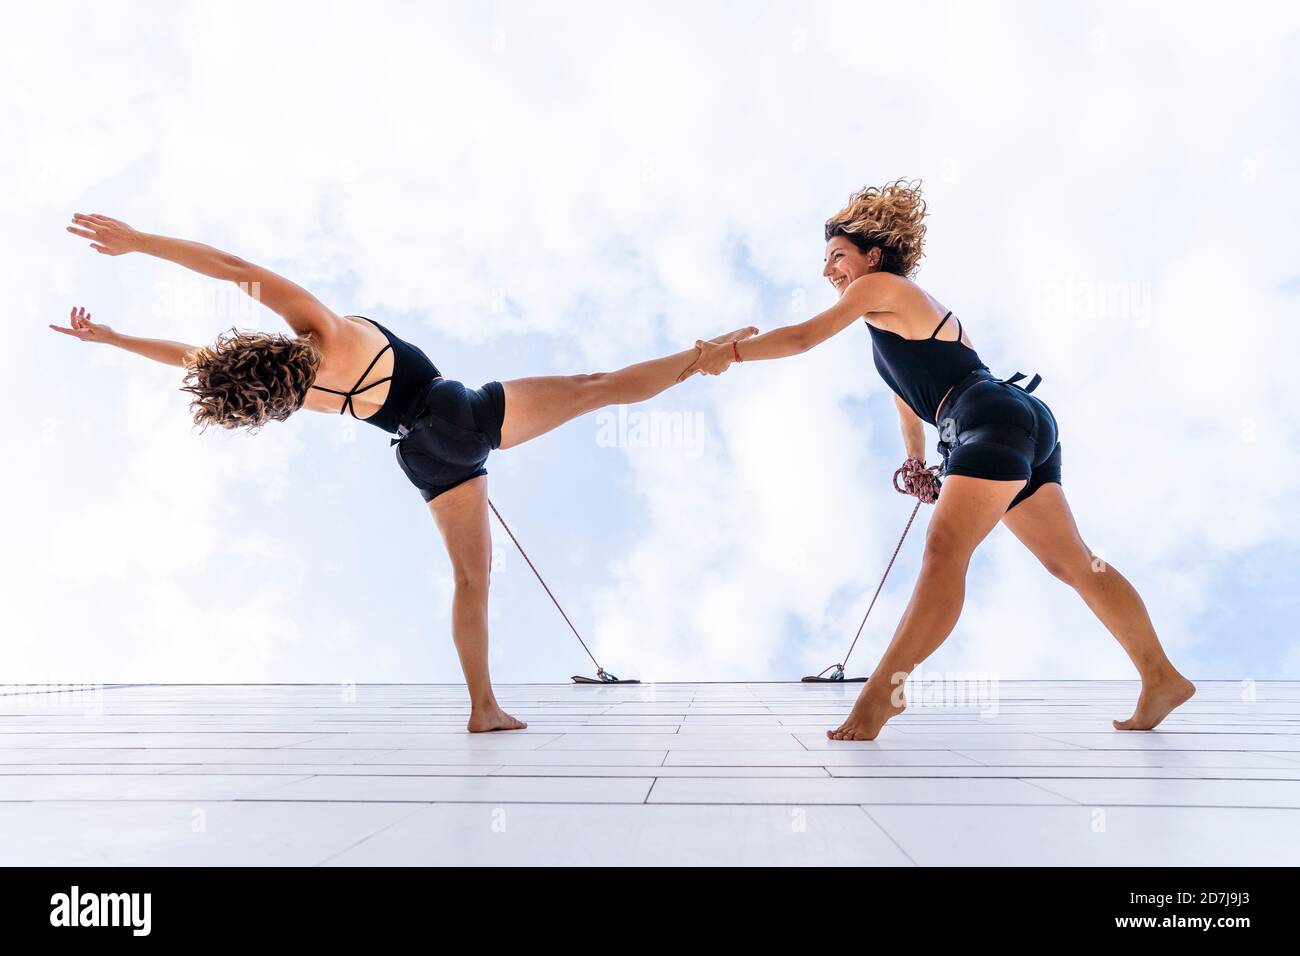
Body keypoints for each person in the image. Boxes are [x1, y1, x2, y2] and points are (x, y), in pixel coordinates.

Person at [57, 213, 756, 732]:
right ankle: (707, 356)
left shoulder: (294, 394)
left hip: (422, 457)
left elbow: (192, 362)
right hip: (456, 413)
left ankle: (483, 706)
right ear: (261, 344)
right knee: (598, 385)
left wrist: (116, 341)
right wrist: (140, 243)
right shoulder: (321, 332)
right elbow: (228, 263)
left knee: (471, 579)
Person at [684, 180, 1195, 740]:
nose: (828, 271)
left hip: (986, 417)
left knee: (944, 551)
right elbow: (910, 404)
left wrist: (728, 353)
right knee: (1072, 561)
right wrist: (917, 461)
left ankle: (883, 693)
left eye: (836, 256)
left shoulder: (881, 287)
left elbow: (804, 338)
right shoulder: (887, 324)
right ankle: (1161, 676)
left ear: (872, 255)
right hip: (1009, 422)